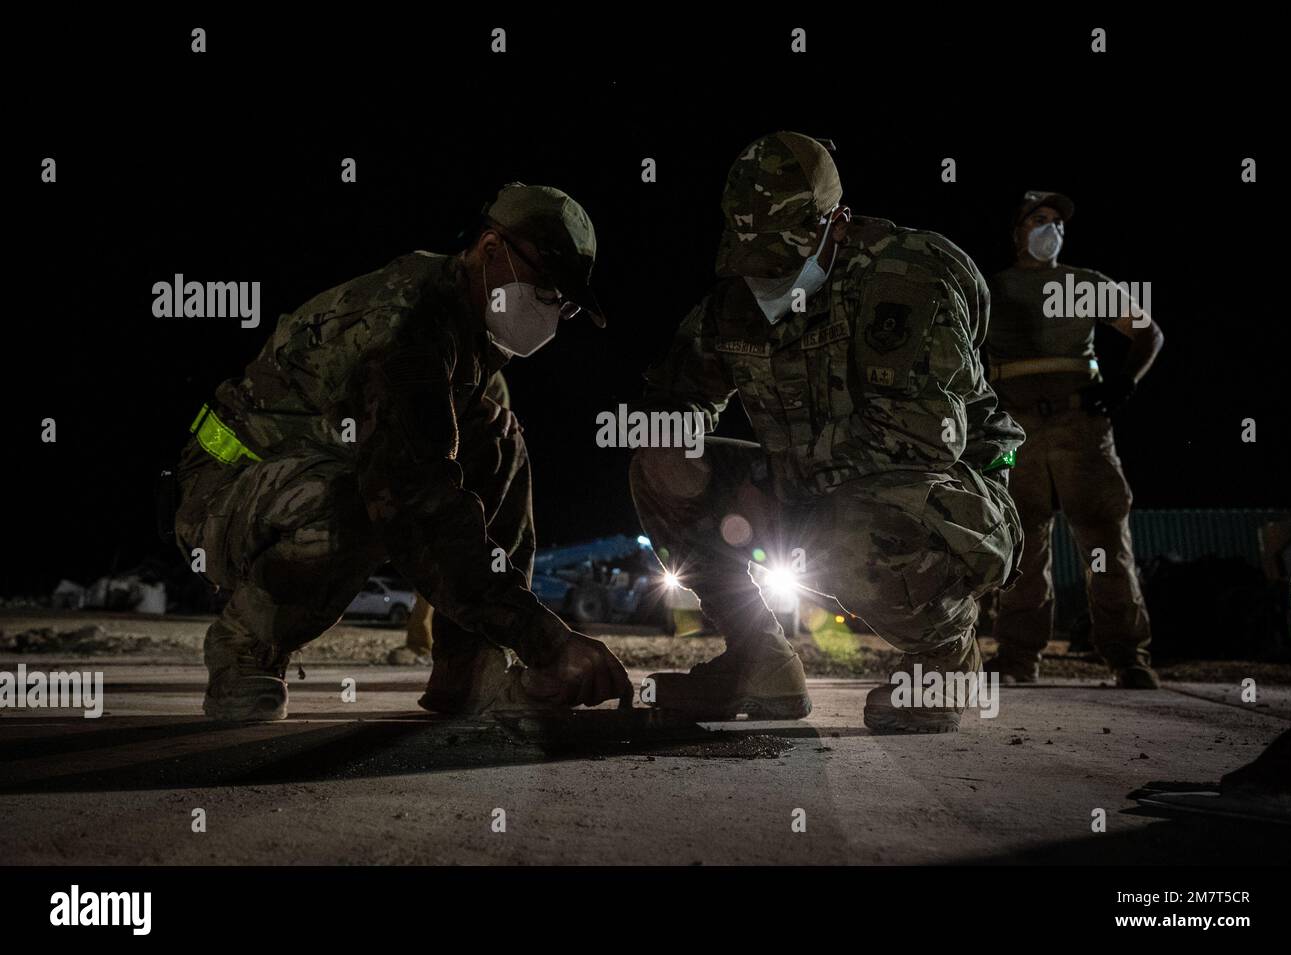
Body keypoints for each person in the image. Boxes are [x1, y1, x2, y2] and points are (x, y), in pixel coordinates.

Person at [173, 183, 632, 721]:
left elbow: (451, 490)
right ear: (489, 250)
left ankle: (469, 667)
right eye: (547, 286)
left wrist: (516, 638)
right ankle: (247, 647)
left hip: (295, 477)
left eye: (567, 302)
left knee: (497, 438)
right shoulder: (406, 323)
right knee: (367, 497)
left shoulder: (465, 327)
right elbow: (416, 502)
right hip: (223, 492)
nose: (554, 309)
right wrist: (546, 641)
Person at [630, 132, 1024, 733]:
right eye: (752, 256)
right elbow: (676, 394)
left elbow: (925, 439)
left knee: (855, 528)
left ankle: (945, 654)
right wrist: (675, 442)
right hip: (809, 488)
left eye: (784, 256)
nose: (766, 277)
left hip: (945, 501)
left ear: (836, 225)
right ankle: (760, 661)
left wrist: (785, 479)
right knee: (657, 465)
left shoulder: (907, 279)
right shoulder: (735, 300)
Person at [984, 191, 1163, 688]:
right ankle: (1018, 658)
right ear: (1016, 231)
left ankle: (1128, 656)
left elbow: (1149, 332)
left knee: (1105, 539)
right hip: (1015, 432)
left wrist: (1124, 382)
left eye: (1057, 222)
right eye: (1038, 219)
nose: (1050, 229)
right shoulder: (991, 289)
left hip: (1081, 429)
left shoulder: (1084, 284)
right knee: (1021, 545)